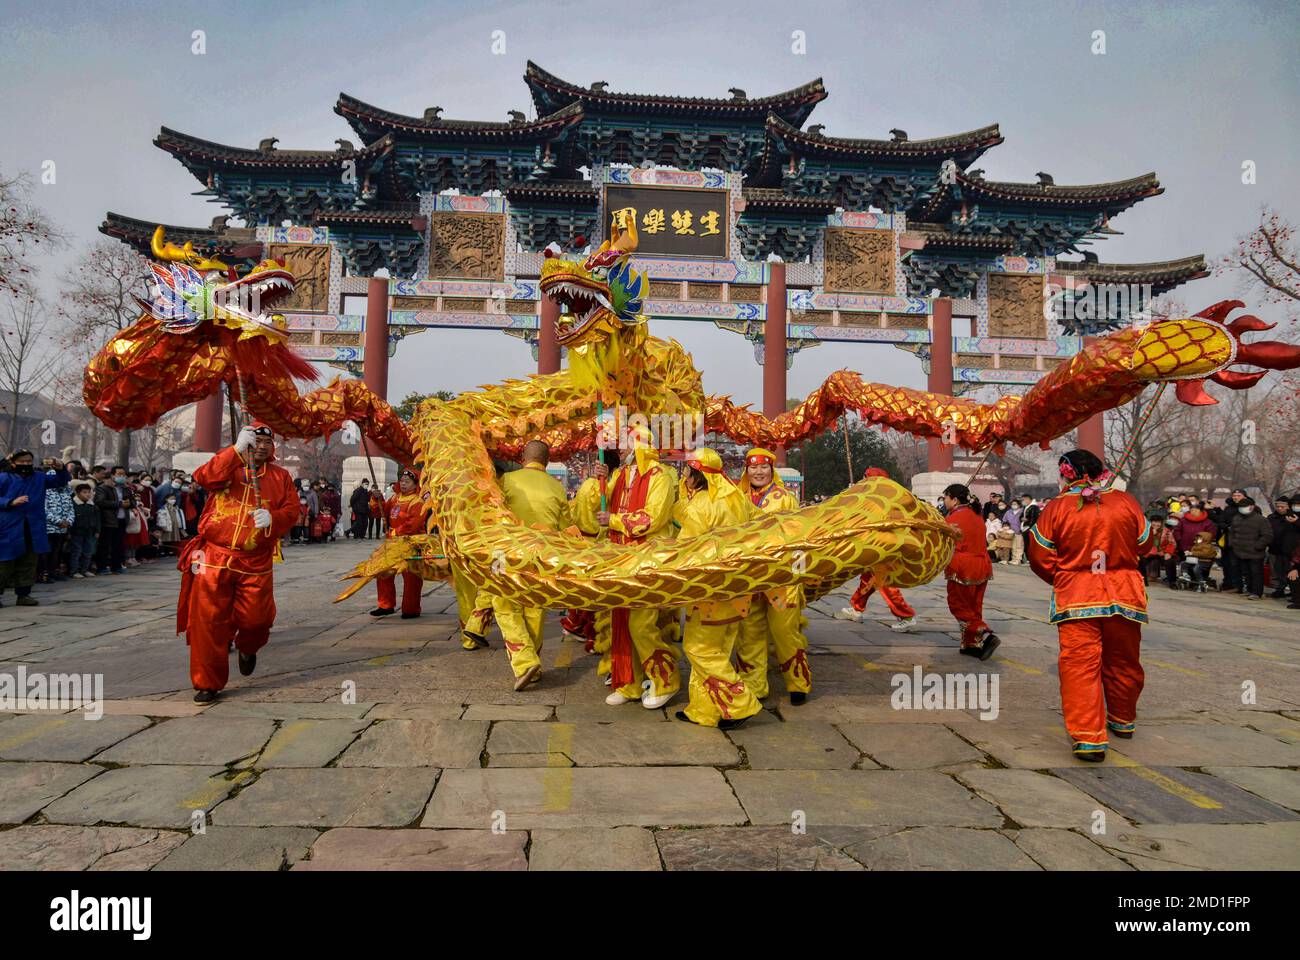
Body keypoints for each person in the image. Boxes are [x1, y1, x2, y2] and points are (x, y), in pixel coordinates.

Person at [1026, 449, 1154, 762]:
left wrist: (1063, 576)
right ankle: (1123, 720)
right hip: (1124, 595)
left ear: (1066, 473)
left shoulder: (1056, 507)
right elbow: (1145, 543)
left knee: (1080, 666)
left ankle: (1089, 738)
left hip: (1077, 597)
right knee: (1124, 660)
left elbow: (1040, 556)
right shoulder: (1127, 502)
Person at [177, 422, 298, 703]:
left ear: (273, 448)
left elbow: (292, 511)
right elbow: (204, 477)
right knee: (208, 622)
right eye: (255, 440)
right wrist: (233, 451)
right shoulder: (228, 466)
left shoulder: (281, 477)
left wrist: (274, 518)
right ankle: (207, 683)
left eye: (268, 442)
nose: (262, 446)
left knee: (258, 619)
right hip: (214, 557)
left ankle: (248, 646)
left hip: (255, 560)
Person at [673, 447, 761, 729]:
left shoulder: (701, 506)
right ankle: (703, 710)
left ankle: (740, 703)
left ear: (695, 476)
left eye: (687, 472)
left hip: (709, 590)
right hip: (736, 589)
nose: (684, 476)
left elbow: (685, 552)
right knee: (718, 650)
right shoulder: (737, 496)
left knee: (698, 648)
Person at [598, 424, 679, 709]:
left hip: (647, 559)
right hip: (621, 558)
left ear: (640, 443)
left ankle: (666, 679)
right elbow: (604, 509)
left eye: (624, 443)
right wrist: (601, 482)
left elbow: (653, 519)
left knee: (641, 623)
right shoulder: (620, 474)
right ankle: (628, 683)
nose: (619, 448)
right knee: (620, 619)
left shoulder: (661, 477)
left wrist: (615, 521)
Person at [734, 447, 812, 705]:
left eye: (764, 467)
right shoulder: (737, 497)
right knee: (749, 632)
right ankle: (754, 685)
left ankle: (798, 683)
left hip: (781, 577)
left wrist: (799, 575)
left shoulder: (785, 498)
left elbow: (798, 536)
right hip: (748, 575)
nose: (758, 472)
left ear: (771, 470)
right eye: (753, 467)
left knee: (785, 632)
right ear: (747, 470)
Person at [492, 440, 570, 691]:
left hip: (505, 552)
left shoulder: (507, 481)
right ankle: (533, 668)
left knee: (503, 602)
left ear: (523, 457)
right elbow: (567, 528)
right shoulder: (557, 488)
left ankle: (525, 662)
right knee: (535, 607)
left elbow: (493, 516)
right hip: (543, 554)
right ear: (546, 461)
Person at [837, 467, 916, 631]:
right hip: (873, 547)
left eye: (866, 478)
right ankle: (857, 608)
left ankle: (906, 615)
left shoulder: (885, 502)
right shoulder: (875, 499)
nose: (863, 481)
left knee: (884, 583)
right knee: (867, 579)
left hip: (884, 548)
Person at [0, 452, 70, 606]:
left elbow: (61, 481)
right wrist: (10, 501)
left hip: (33, 527)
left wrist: (60, 469)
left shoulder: (39, 477)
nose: (26, 464)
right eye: (22, 461)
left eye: (29, 461)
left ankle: (23, 595)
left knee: (29, 562)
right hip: (8, 527)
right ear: (13, 463)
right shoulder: (4, 478)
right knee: (4, 562)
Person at [941, 483, 998, 659]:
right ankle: (971, 644)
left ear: (955, 499)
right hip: (982, 564)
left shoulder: (953, 519)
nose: (944, 501)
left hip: (963, 566)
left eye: (946, 497)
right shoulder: (976, 515)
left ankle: (983, 632)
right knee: (974, 606)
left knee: (959, 605)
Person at [371, 469, 430, 620]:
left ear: (415, 484)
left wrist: (395, 532)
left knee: (411, 578)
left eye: (407, 482)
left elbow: (413, 525)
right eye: (402, 481)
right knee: (383, 571)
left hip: (411, 544)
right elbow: (381, 513)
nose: (403, 484)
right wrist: (376, 499)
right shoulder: (395, 499)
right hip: (393, 543)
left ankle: (411, 609)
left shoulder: (417, 501)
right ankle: (385, 605)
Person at [1230, 498, 1272, 600]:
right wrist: (1232, 544)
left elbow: (1267, 535)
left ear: (1252, 507)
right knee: (1246, 572)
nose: (1242, 509)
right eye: (1240, 507)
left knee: (1256, 573)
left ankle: (1257, 592)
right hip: (1240, 551)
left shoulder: (1261, 520)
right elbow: (1232, 533)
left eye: (1244, 507)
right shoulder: (1236, 518)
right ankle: (1249, 589)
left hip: (1255, 552)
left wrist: (1258, 546)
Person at [93, 465, 133, 574]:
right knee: (105, 545)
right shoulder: (103, 488)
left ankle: (117, 566)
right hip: (108, 520)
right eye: (119, 474)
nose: (122, 476)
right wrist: (119, 504)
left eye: (123, 474)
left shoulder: (126, 488)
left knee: (119, 545)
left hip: (122, 519)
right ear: (112, 475)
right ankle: (102, 567)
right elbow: (100, 502)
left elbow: (132, 502)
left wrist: (130, 504)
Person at [39, 460, 74, 583]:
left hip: (62, 528)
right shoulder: (46, 492)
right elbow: (44, 510)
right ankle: (44, 573)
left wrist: (69, 521)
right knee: (46, 551)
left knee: (58, 551)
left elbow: (71, 508)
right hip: (49, 527)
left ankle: (54, 571)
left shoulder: (66, 492)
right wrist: (58, 521)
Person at [1172, 500, 1217, 591]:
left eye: (1196, 511)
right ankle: (1187, 580)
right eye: (1192, 510)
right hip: (1184, 546)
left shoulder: (1208, 522)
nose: (1193, 512)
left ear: (1201, 511)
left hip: (1201, 549)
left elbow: (1210, 535)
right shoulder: (1184, 520)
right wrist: (1179, 540)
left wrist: (1202, 542)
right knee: (1186, 563)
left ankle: (1198, 581)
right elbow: (1177, 531)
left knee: (1199, 566)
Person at [67, 481, 100, 578]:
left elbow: (97, 518)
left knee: (88, 552)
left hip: (89, 532)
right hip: (76, 532)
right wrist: (68, 532)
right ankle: (74, 571)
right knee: (76, 552)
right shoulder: (73, 504)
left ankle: (85, 569)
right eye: (84, 492)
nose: (87, 494)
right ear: (77, 493)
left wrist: (97, 530)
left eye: (89, 492)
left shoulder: (92, 505)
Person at [1267, 497, 1294, 599]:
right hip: (1274, 549)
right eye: (1278, 506)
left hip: (1289, 551)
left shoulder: (1292, 518)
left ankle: (1292, 590)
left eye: (1282, 506)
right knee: (1275, 571)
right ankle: (1278, 589)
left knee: (1289, 571)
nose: (1280, 508)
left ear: (1288, 506)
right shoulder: (1271, 517)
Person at [154, 489, 187, 555]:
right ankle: (164, 551)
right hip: (167, 524)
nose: (173, 500)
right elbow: (161, 517)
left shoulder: (176, 508)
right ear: (166, 499)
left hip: (174, 525)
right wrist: (163, 525)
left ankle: (171, 551)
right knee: (166, 538)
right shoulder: (163, 508)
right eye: (171, 499)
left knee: (173, 537)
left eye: (174, 499)